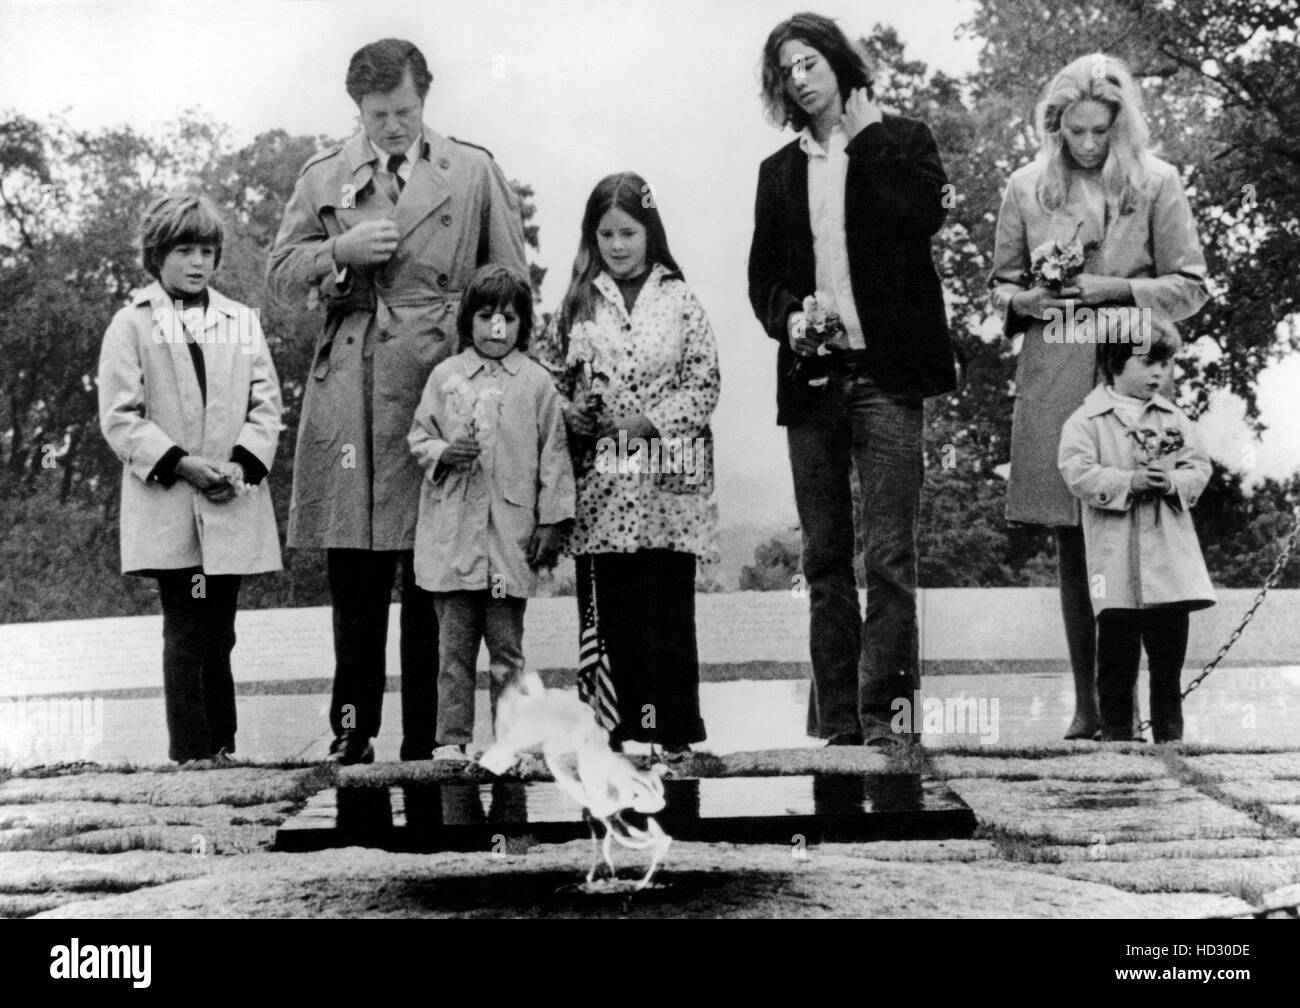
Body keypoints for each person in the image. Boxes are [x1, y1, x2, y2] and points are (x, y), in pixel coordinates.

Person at [267, 38, 528, 764]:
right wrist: (337, 257)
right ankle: (351, 730)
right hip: (350, 388)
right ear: (357, 108)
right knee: (352, 569)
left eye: (405, 110)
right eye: (378, 113)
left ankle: (425, 737)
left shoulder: (472, 171)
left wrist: (487, 381)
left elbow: (511, 281)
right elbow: (279, 277)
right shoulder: (326, 174)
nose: (392, 126)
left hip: (440, 385)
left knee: (431, 569)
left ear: (426, 98)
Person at [747, 13, 957, 749]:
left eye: (808, 62)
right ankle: (838, 726)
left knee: (890, 558)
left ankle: (888, 723)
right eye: (786, 69)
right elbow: (762, 280)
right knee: (824, 558)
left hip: (888, 377)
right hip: (813, 381)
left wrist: (866, 142)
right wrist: (789, 320)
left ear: (838, 64)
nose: (798, 78)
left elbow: (920, 216)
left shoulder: (902, 141)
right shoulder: (778, 172)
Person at [989, 54, 1208, 740]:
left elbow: (1192, 285)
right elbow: (1000, 286)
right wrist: (1024, 297)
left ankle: (1142, 703)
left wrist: (1120, 290)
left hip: (1132, 368)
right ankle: (1091, 705)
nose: (1086, 145)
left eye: (1099, 132)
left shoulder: (1158, 181)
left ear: (1121, 126)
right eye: (1072, 132)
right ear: (1053, 126)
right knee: (1073, 536)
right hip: (1054, 369)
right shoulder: (1025, 187)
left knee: (1143, 527)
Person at [532, 172, 720, 761]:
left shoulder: (680, 298)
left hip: (669, 478)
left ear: (650, 232)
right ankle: (608, 730)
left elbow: (705, 382)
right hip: (604, 484)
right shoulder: (579, 304)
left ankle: (674, 731)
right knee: (609, 605)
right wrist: (572, 415)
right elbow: (554, 383)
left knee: (665, 602)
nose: (617, 245)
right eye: (605, 233)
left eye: (629, 232)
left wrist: (648, 423)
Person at [98, 192, 282, 766]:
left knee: (220, 631)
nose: (198, 262)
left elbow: (266, 404)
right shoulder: (131, 324)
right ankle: (190, 753)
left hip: (230, 499)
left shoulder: (240, 320)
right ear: (158, 255)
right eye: (184, 250)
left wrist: (239, 465)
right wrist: (181, 462)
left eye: (207, 250)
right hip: (171, 500)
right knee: (185, 628)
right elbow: (121, 417)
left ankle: (222, 749)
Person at [407, 264, 574, 760]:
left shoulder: (537, 384)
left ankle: (510, 741)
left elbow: (555, 458)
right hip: (455, 544)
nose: (496, 328)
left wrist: (551, 523)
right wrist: (443, 452)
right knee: (453, 653)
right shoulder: (446, 377)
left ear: (523, 323)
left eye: (508, 317)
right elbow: (419, 436)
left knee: (507, 652)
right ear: (468, 321)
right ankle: (452, 741)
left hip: (510, 542)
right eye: (485, 316)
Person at [1058, 321, 1215, 742]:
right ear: (1115, 362)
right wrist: (1127, 483)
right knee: (1116, 656)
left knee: (1168, 660)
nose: (1158, 374)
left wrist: (1175, 483)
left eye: (1165, 364)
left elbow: (1198, 465)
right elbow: (1076, 472)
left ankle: (1170, 739)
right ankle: (1117, 738)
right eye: (1147, 363)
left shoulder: (1173, 417)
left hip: (1168, 562)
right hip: (1116, 560)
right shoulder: (1086, 420)